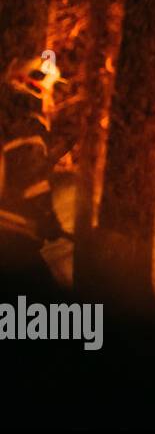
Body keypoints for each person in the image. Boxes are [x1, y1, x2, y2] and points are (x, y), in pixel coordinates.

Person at [0, 56, 65, 293]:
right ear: (37, 92)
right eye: (50, 93)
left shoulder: (10, 123)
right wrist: (48, 217)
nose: (53, 103)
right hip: (12, 234)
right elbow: (32, 179)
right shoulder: (30, 127)